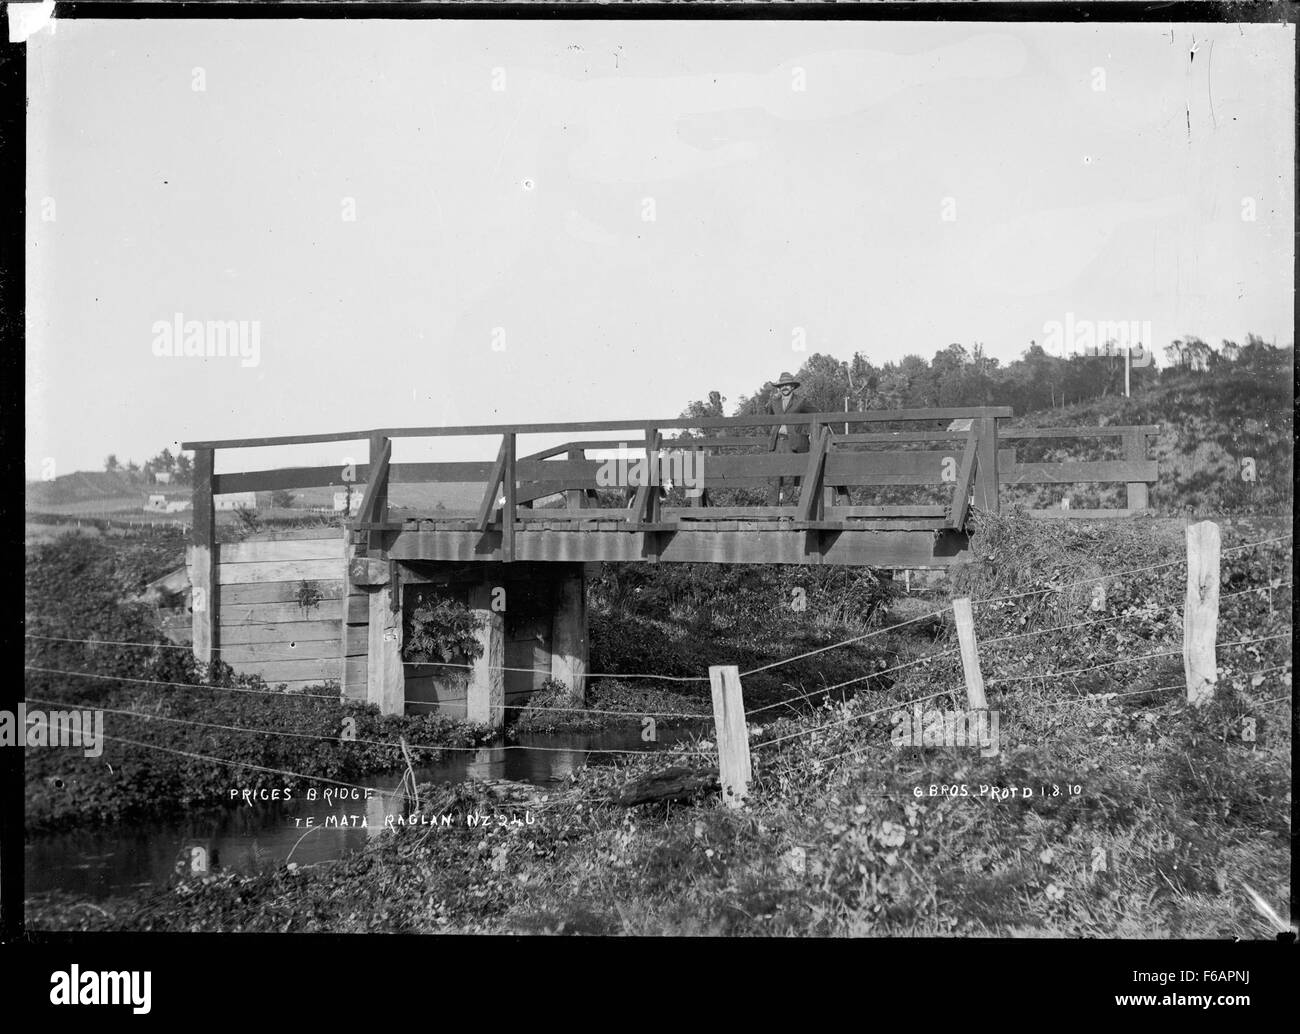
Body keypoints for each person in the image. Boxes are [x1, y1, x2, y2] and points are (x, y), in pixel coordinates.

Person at [765, 371, 816, 506]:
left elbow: (817, 415)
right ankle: (772, 512)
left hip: (791, 442)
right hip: (776, 442)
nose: (784, 388)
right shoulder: (773, 402)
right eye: (782, 385)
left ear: (792, 386)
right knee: (773, 476)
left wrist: (804, 430)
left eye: (787, 385)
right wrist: (772, 433)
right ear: (779, 387)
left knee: (789, 476)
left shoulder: (801, 401)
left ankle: (787, 509)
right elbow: (768, 417)